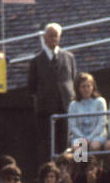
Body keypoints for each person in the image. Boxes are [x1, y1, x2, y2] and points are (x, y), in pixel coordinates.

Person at [28, 24, 78, 153]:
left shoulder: (69, 57)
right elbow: (31, 87)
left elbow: (72, 80)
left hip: (66, 108)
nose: (53, 38)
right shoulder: (36, 61)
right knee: (47, 145)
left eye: (56, 35)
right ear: (44, 37)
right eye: (50, 35)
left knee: (70, 144)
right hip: (46, 110)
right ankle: (50, 171)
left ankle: (78, 169)